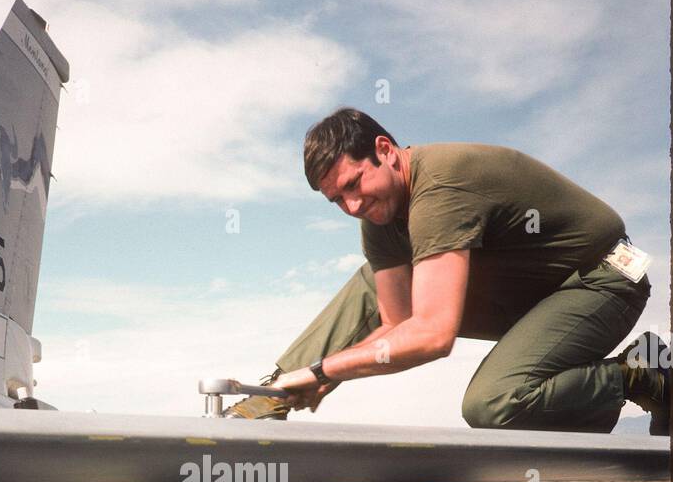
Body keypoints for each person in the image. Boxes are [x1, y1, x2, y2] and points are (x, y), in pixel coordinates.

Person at [227, 108, 667, 435]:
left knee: (492, 405)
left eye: (354, 184)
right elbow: (397, 326)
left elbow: (432, 337)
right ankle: (271, 397)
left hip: (604, 281)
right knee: (370, 283)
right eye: (337, 201)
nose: (353, 206)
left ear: (385, 150)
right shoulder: (378, 221)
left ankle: (640, 374)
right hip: (537, 294)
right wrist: (315, 378)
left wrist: (325, 371)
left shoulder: (441, 188)